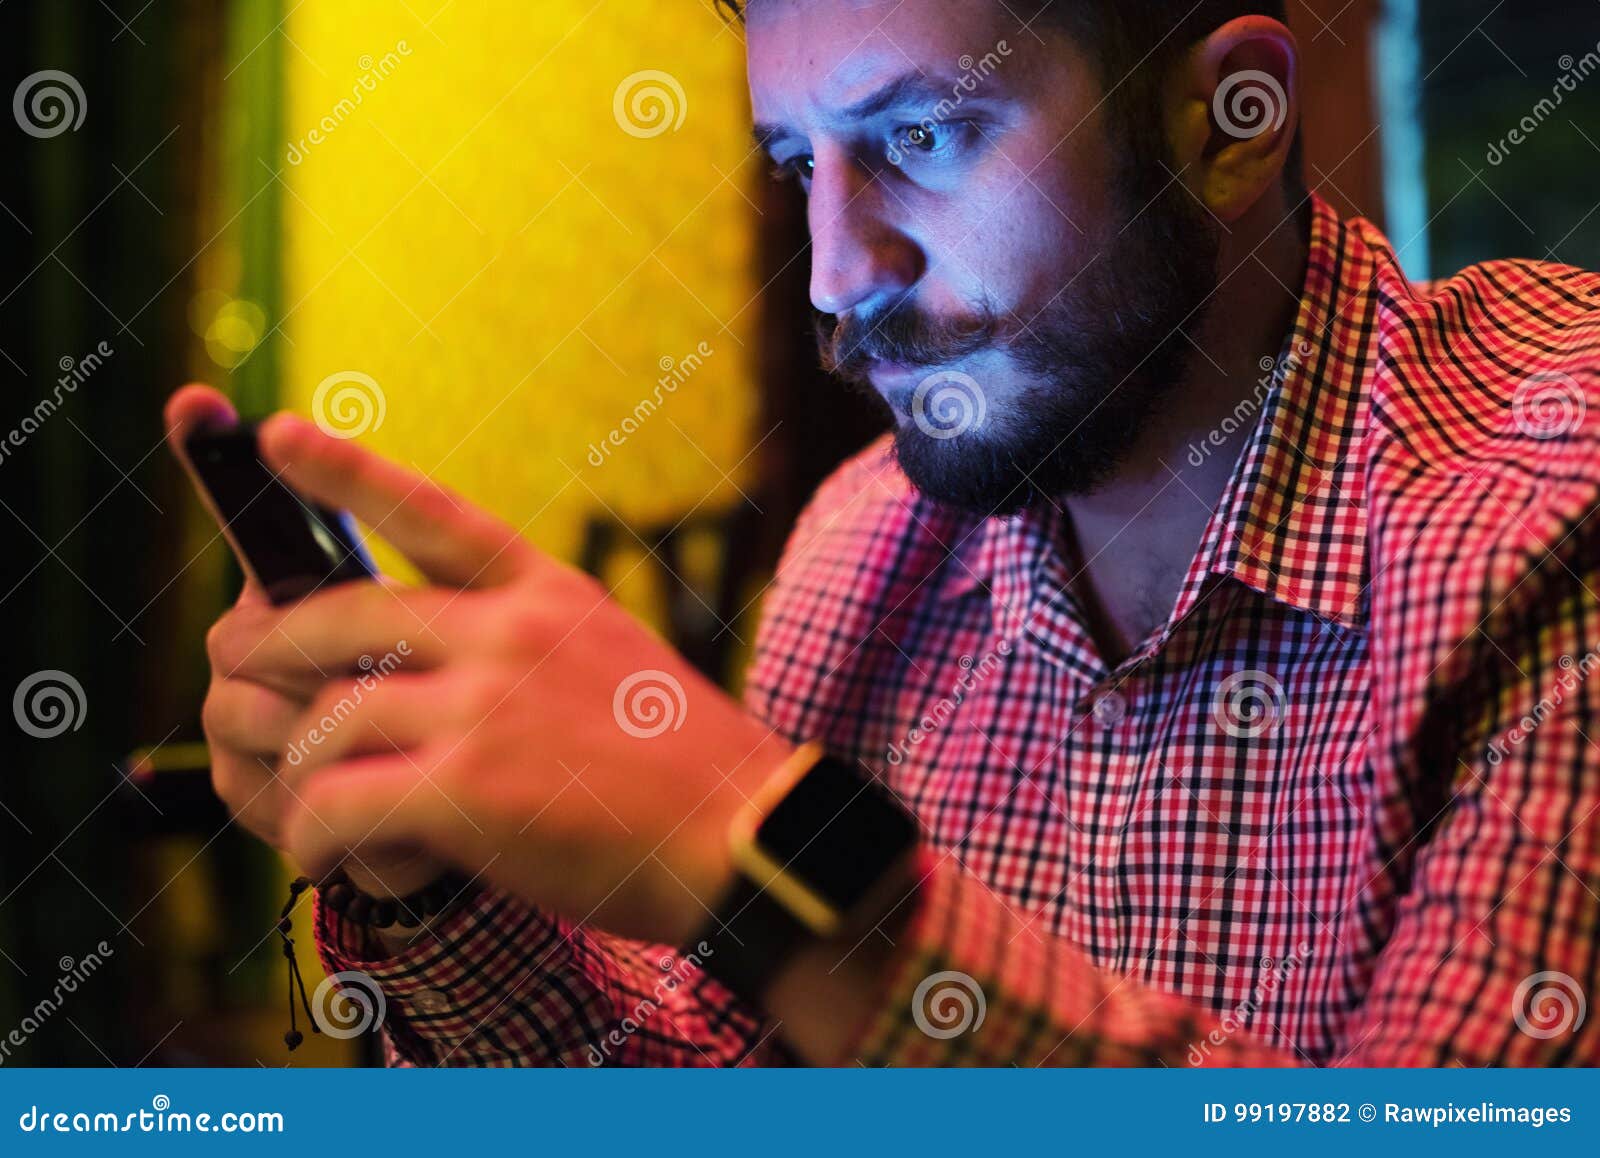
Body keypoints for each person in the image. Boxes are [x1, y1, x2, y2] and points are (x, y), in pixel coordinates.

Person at [166, 0, 1600, 1067]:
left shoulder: (1550, 502)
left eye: (922, 136)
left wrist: (772, 850)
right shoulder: (873, 542)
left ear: (1229, 122)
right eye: (802, 165)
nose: (840, 279)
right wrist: (432, 862)